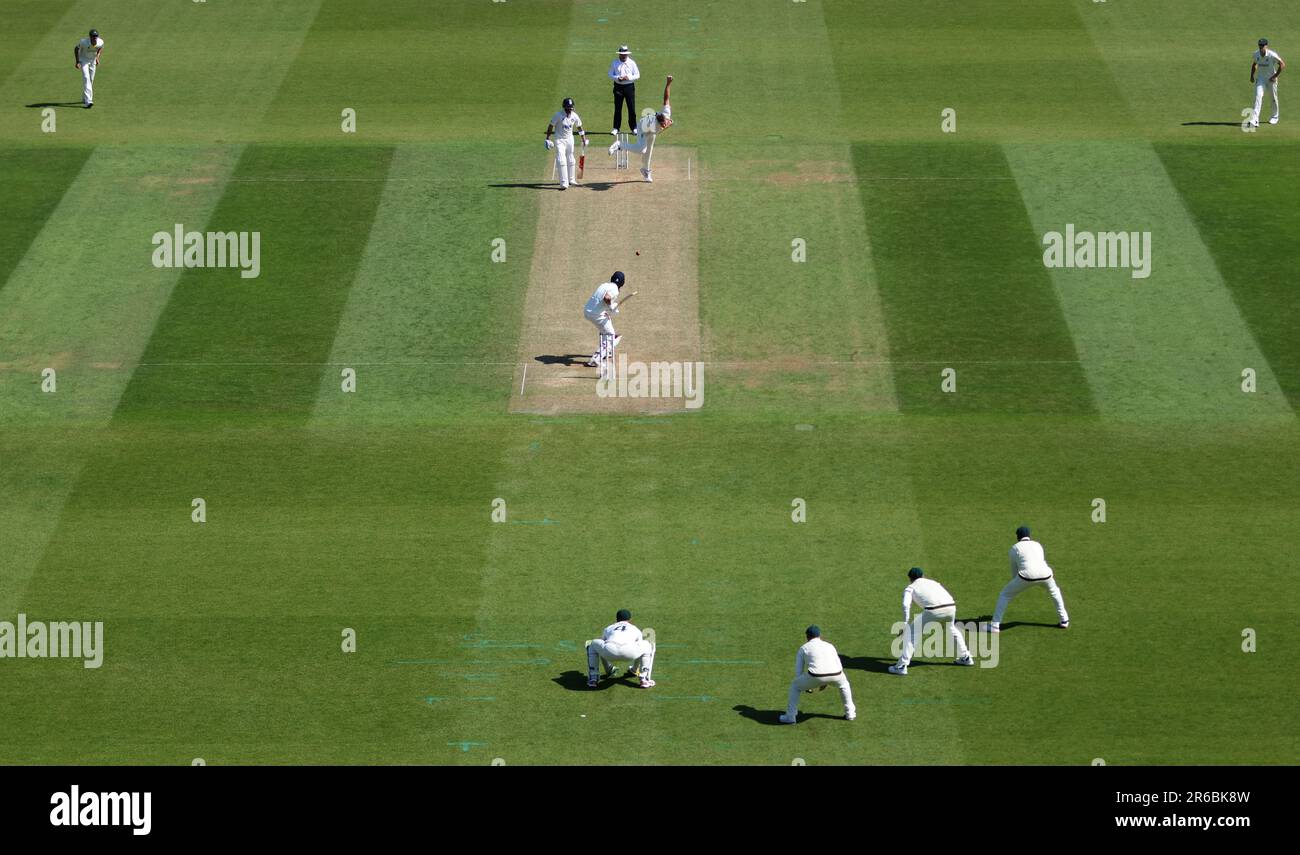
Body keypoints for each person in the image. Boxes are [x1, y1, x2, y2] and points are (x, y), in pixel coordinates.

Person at [888, 568, 974, 676]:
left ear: (910, 578)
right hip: (951, 607)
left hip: (934, 611)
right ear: (923, 575)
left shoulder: (910, 588)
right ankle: (966, 657)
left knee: (911, 634)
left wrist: (905, 624)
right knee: (951, 629)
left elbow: (906, 605)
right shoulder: (934, 582)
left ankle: (901, 666)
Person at [989, 526, 1070, 633]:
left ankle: (995, 625)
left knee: (1005, 595)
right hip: (1046, 574)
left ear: (1017, 537)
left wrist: (1016, 584)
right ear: (1029, 536)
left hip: (1026, 576)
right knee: (1055, 592)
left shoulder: (1014, 548)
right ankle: (1064, 620)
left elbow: (1014, 570)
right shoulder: (1038, 544)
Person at [780, 625, 855, 724]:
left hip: (815, 677)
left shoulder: (803, 648)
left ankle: (790, 716)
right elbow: (838, 664)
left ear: (807, 637)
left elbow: (799, 671)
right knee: (844, 684)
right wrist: (827, 681)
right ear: (819, 635)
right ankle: (850, 714)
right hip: (837, 674)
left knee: (795, 686)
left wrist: (806, 685)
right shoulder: (830, 645)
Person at [609, 76, 674, 182]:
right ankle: (619, 144)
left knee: (649, 151)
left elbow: (666, 98)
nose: (664, 125)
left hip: (651, 130)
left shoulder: (666, 113)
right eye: (663, 124)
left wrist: (668, 84)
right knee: (642, 149)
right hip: (643, 128)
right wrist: (667, 126)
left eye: (665, 123)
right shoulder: (653, 125)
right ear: (659, 122)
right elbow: (657, 131)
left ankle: (645, 171)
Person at [586, 609, 656, 688]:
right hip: (630, 652)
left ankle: (593, 678)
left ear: (616, 619)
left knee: (593, 644)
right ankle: (643, 679)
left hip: (610, 651)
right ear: (630, 620)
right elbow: (639, 646)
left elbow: (603, 641)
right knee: (646, 645)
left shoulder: (609, 627)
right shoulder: (634, 628)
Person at [582, 271, 625, 368]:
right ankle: (595, 359)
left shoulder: (604, 285)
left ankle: (607, 351)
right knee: (611, 335)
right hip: (595, 314)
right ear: (622, 283)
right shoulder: (615, 290)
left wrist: (606, 310)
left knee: (606, 323)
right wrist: (610, 306)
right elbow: (606, 298)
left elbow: (599, 300)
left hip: (588, 310)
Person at [544, 97, 588, 190]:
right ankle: (564, 183)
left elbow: (579, 127)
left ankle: (571, 179)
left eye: (571, 107)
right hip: (559, 139)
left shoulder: (574, 115)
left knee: (571, 158)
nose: (570, 109)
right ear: (564, 107)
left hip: (569, 139)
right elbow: (551, 126)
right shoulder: (558, 115)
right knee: (561, 159)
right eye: (568, 108)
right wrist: (547, 138)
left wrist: (583, 138)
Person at [1250, 38, 1285, 127]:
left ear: (1266, 46)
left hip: (1271, 79)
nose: (1261, 47)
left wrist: (1275, 76)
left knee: (1273, 98)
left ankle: (1275, 117)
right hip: (1261, 79)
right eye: (1260, 46)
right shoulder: (1256, 54)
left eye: (1262, 46)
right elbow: (1254, 64)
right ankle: (1255, 119)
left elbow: (1282, 64)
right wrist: (1252, 76)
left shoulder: (1272, 55)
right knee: (1258, 96)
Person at [608, 45, 640, 134]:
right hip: (618, 87)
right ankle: (616, 128)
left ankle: (634, 128)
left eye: (625, 54)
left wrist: (628, 77)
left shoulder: (632, 63)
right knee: (618, 108)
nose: (623, 56)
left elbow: (637, 75)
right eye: (622, 54)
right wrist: (618, 78)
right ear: (619, 54)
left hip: (629, 87)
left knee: (631, 108)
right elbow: (610, 74)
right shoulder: (615, 63)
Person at [74, 28, 104, 109]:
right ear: (90, 37)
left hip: (92, 61)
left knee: (90, 80)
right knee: (86, 78)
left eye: (96, 36)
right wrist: (77, 61)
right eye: (93, 36)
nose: (94, 38)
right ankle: (88, 101)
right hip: (84, 61)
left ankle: (84, 98)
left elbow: (101, 48)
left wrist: (97, 57)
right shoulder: (83, 42)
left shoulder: (100, 42)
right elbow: (76, 49)